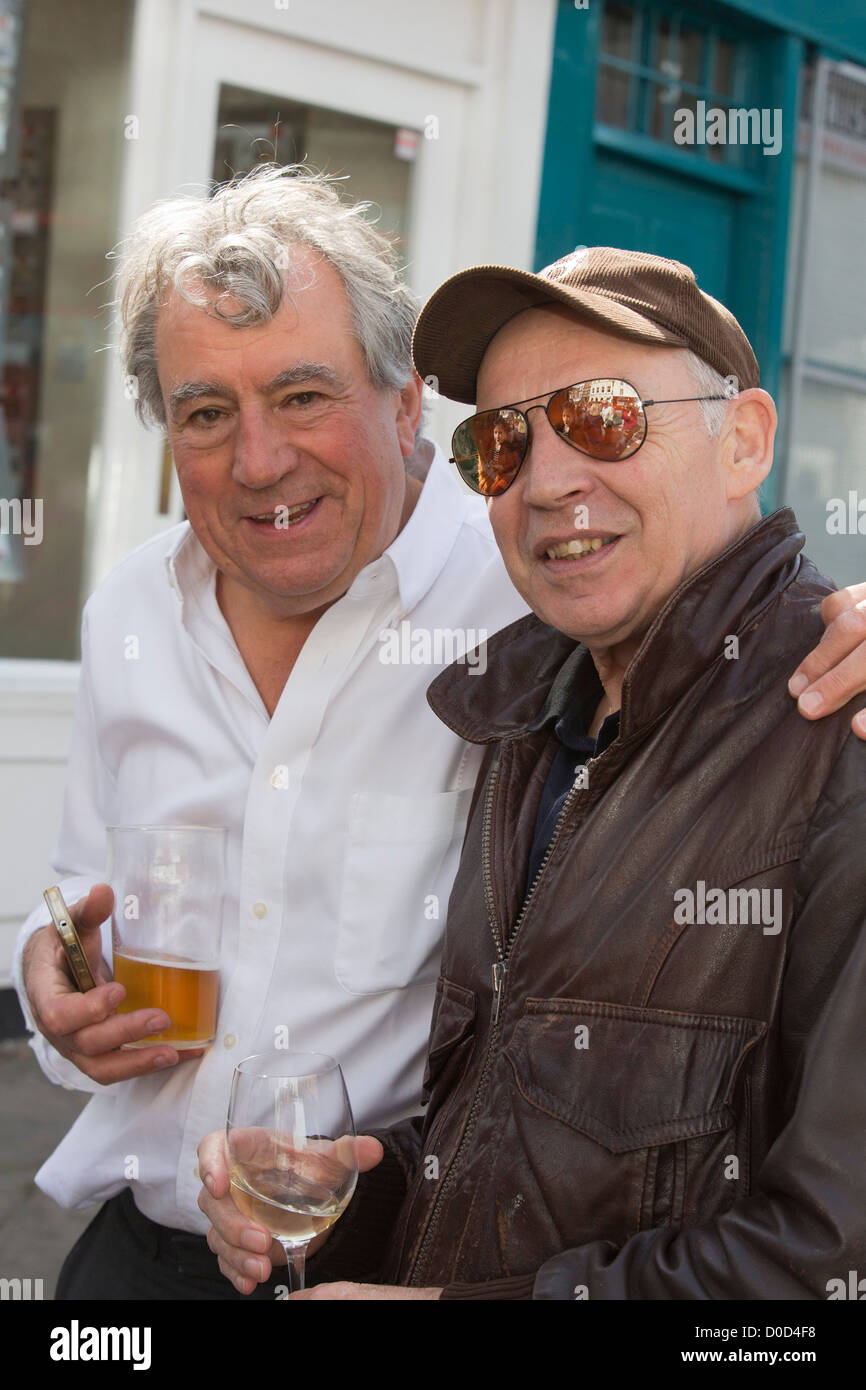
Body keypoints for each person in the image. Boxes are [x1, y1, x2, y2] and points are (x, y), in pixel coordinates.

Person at [200, 246, 866, 1300]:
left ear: (741, 442)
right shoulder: (526, 724)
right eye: (503, 443)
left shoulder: (841, 728)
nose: (548, 481)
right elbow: (529, 1119)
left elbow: (829, 1263)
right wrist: (355, 1198)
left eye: (603, 417)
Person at [11, 164, 527, 1300]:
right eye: (207, 413)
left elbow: (716, 633)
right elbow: (75, 908)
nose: (258, 461)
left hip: (393, 1260)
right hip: (137, 1261)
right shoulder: (131, 611)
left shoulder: (523, 603)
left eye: (302, 397)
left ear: (404, 406)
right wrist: (57, 996)